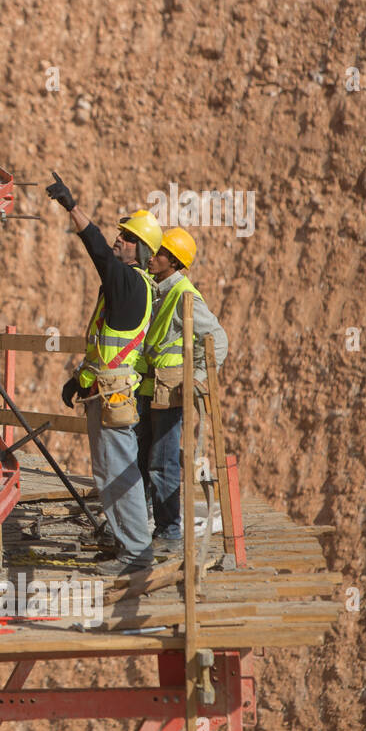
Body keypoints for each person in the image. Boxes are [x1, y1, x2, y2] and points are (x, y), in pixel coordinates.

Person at [46, 171, 159, 575]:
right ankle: (124, 542)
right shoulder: (126, 284)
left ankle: (135, 554)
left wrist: (71, 207)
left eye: (128, 239)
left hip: (114, 398)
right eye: (120, 234)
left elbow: (97, 252)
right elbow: (104, 349)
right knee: (108, 472)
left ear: (142, 252)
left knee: (117, 473)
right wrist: (79, 379)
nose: (119, 240)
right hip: (105, 392)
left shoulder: (129, 283)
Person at [134, 227, 229, 554]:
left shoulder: (183, 293)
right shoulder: (158, 289)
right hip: (150, 388)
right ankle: (139, 526)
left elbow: (217, 338)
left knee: (162, 463)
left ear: (173, 262)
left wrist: (197, 378)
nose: (151, 257)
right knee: (140, 460)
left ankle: (170, 532)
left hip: (171, 392)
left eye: (158, 253)